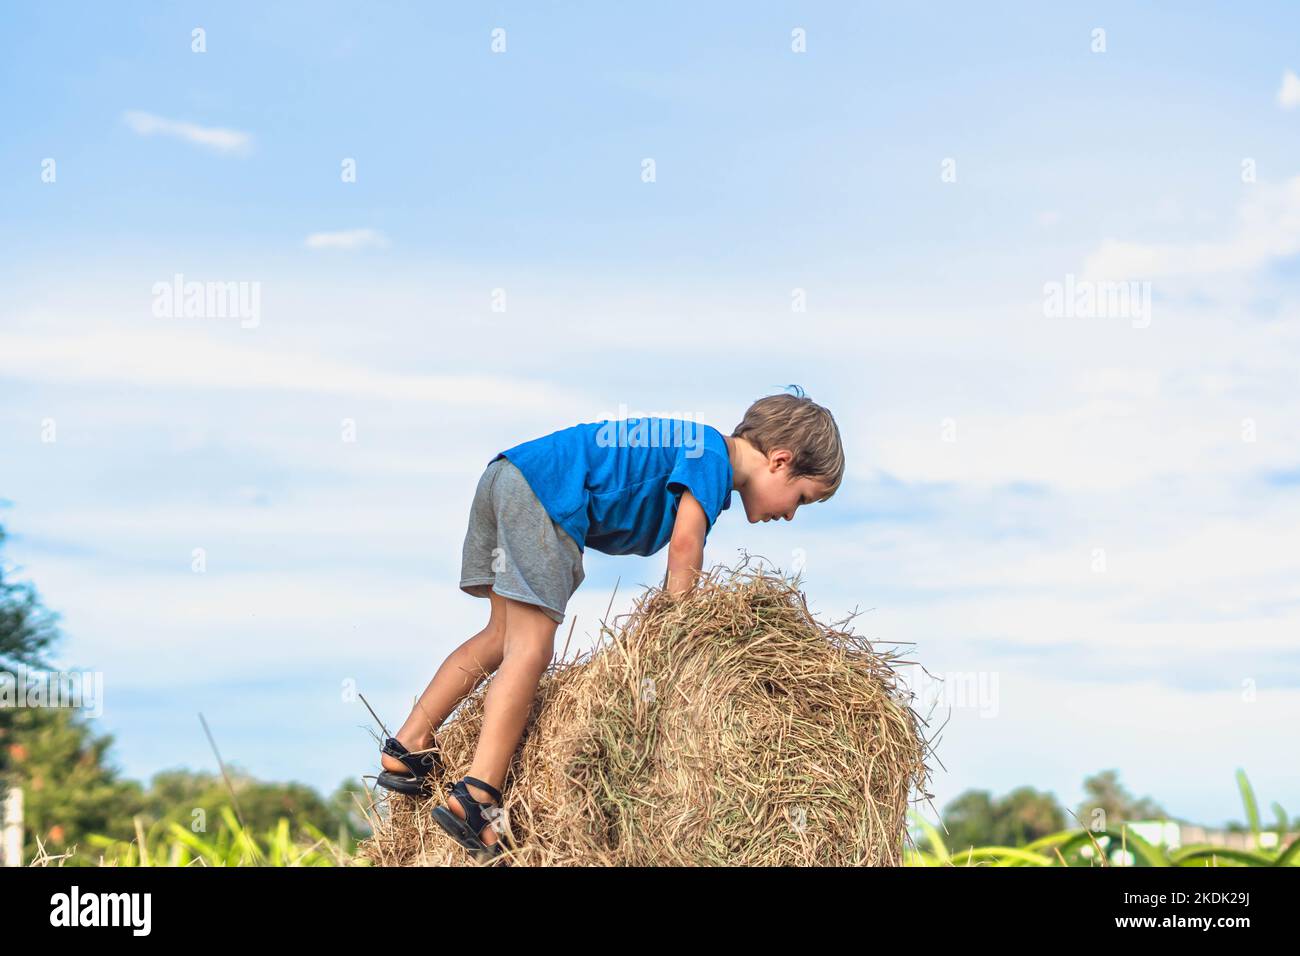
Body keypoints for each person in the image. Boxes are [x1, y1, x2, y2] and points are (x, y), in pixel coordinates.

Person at [375, 386, 844, 861]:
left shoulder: (698, 450)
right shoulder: (712, 455)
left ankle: (408, 745)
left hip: (510, 475)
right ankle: (477, 798)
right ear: (780, 461)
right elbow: (685, 546)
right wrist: (679, 636)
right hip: (544, 491)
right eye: (802, 499)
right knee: (531, 649)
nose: (789, 515)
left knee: (501, 637)